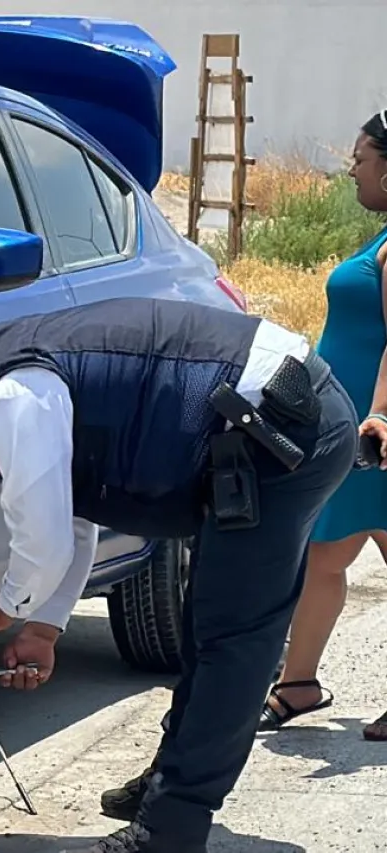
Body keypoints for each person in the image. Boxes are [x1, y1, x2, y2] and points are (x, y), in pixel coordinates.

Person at [0, 296, 357, 853]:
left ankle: (169, 831)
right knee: (206, 628)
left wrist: (2, 608)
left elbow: (43, 543)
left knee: (233, 639)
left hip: (282, 433)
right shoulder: (27, 372)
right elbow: (76, 519)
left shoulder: (11, 394)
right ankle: (168, 789)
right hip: (261, 424)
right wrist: (42, 629)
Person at [257, 110, 387, 742]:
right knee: (325, 554)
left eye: (361, 158)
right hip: (351, 430)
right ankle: (298, 684)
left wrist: (382, 413)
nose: (353, 168)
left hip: (376, 431)